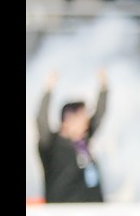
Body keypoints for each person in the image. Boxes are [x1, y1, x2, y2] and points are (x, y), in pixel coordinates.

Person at [35, 69, 110, 203]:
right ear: (68, 119)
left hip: (92, 208)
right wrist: (48, 89)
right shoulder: (52, 143)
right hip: (64, 212)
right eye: (82, 119)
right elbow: (41, 121)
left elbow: (99, 115)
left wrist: (104, 87)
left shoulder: (83, 143)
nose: (86, 124)